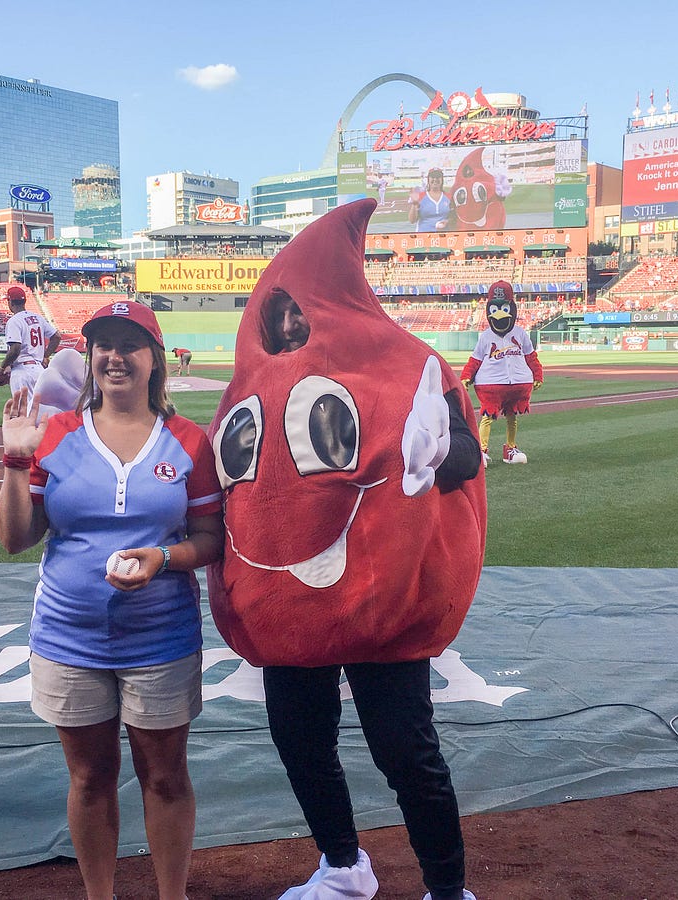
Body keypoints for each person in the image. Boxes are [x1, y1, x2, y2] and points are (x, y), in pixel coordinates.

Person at [208, 199, 486, 900]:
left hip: (375, 587)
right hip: (287, 594)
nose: (291, 323)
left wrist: (434, 454)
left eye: (302, 308)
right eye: (281, 313)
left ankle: (448, 890)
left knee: (406, 752)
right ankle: (342, 866)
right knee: (300, 742)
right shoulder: (251, 384)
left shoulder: (411, 365)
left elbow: (462, 456)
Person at [0, 300, 224, 900]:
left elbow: (209, 540)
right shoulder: (57, 435)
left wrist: (162, 559)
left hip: (162, 637)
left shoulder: (189, 442)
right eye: (103, 345)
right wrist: (17, 460)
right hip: (68, 637)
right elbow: (16, 538)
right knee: (90, 778)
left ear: (155, 359)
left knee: (166, 776)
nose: (115, 357)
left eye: (130, 345)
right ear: (91, 356)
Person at [461, 280, 544, 464]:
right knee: (487, 418)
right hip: (491, 382)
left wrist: (537, 374)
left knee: (512, 417)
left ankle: (510, 449)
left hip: (515, 383)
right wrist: (466, 376)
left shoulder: (520, 333)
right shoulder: (486, 336)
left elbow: (531, 356)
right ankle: (481, 450)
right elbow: (475, 359)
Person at [0, 284, 60, 402]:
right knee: (40, 410)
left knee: (24, 413)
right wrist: (46, 356)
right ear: (24, 301)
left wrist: (2, 367)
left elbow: (15, 349)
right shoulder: (37, 317)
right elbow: (56, 336)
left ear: (10, 302)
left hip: (22, 372)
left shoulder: (14, 321)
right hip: (39, 370)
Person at [407, 168, 452, 233]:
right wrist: (414, 204)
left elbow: (453, 217)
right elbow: (412, 220)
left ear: (442, 180)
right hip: (424, 237)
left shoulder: (448, 197)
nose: (435, 179)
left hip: (443, 237)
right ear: (428, 179)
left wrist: (447, 222)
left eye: (438, 177)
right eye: (432, 177)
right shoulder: (420, 196)